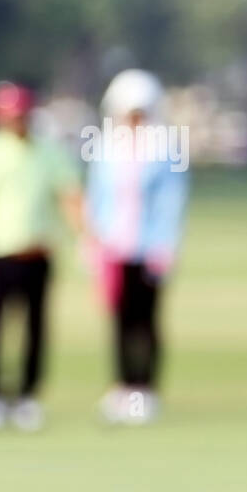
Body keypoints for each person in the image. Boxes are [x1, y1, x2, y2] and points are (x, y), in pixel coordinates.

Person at [0, 81, 84, 432]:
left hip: (38, 252)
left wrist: (85, 237)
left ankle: (28, 397)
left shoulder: (49, 152)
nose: (17, 121)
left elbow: (70, 197)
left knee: (36, 327)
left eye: (22, 114)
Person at [88, 69, 190, 425]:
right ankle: (122, 387)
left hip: (150, 247)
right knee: (119, 320)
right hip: (114, 247)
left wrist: (166, 245)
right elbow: (96, 199)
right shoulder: (105, 147)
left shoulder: (165, 148)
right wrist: (93, 243)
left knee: (146, 321)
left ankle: (145, 389)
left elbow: (172, 201)